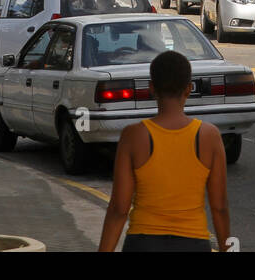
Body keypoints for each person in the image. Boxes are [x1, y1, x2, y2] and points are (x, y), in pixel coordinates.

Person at [98, 51, 229, 253]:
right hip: (193, 243)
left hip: (143, 243)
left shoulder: (133, 136)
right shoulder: (209, 136)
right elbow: (219, 207)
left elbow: (119, 208)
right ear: (188, 89)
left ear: (152, 88)